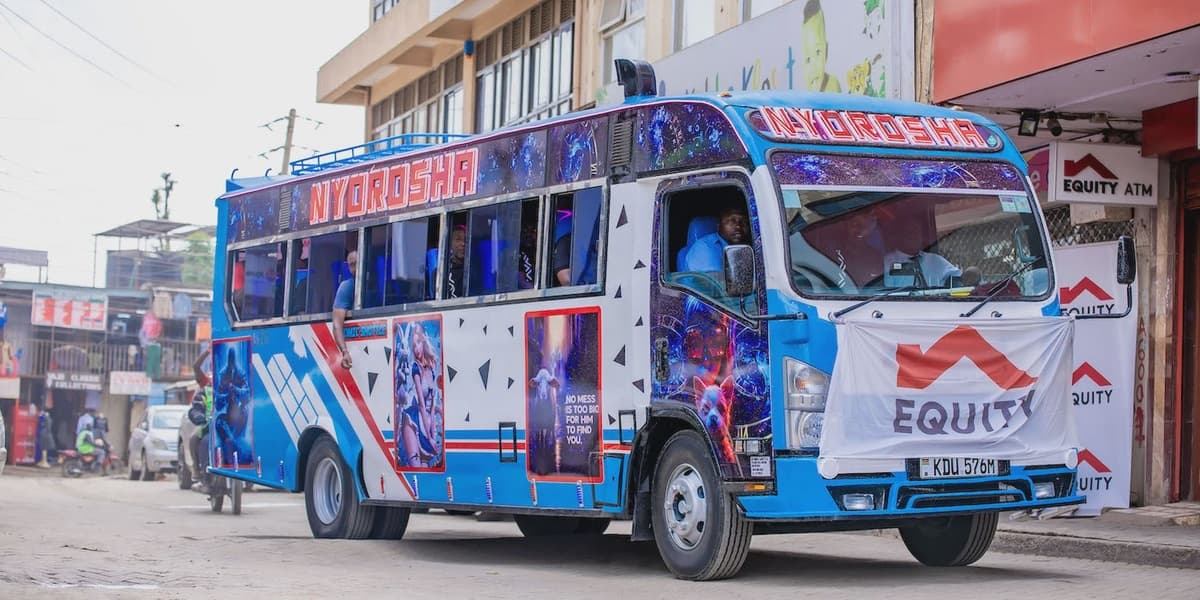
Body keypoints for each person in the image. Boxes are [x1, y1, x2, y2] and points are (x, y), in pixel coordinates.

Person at [680, 203, 751, 272]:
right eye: (732, 221)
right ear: (718, 226)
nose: (738, 226)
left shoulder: (746, 248)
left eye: (744, 222)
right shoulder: (705, 247)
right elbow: (715, 283)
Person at [801, 0, 842, 93]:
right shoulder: (806, 94)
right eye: (808, 60)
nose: (813, 67)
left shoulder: (832, 85)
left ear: (826, 52)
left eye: (818, 52)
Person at [332, 250, 358, 370]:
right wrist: (344, 351)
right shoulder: (347, 287)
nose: (355, 268)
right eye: (351, 265)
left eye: (357, 263)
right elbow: (337, 324)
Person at [444, 225, 466, 298]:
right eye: (458, 239)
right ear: (449, 244)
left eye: (466, 240)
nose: (463, 244)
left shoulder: (475, 270)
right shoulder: (442, 272)